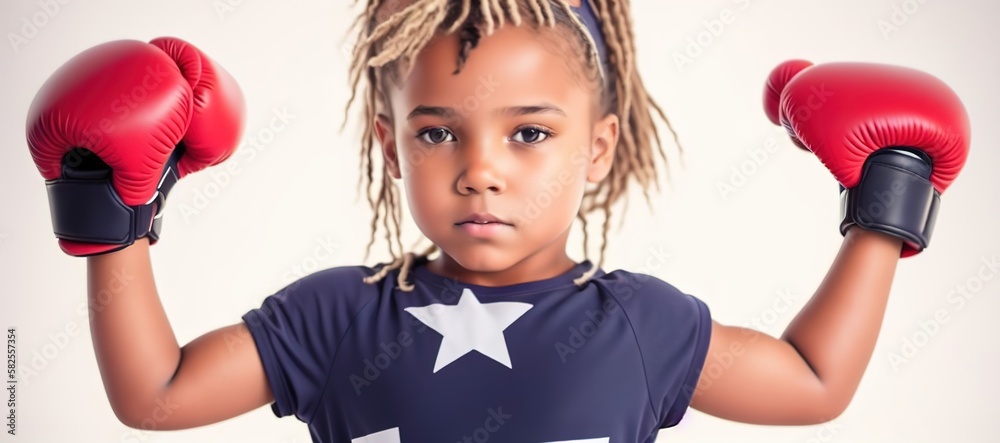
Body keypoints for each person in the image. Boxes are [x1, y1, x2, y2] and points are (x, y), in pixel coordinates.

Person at [24, 0, 969, 442]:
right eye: (438, 133)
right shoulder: (336, 317)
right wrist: (113, 204)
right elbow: (156, 396)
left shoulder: (638, 323)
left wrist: (887, 198)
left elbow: (811, 384)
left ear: (595, 149)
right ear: (393, 149)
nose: (480, 170)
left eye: (528, 133)